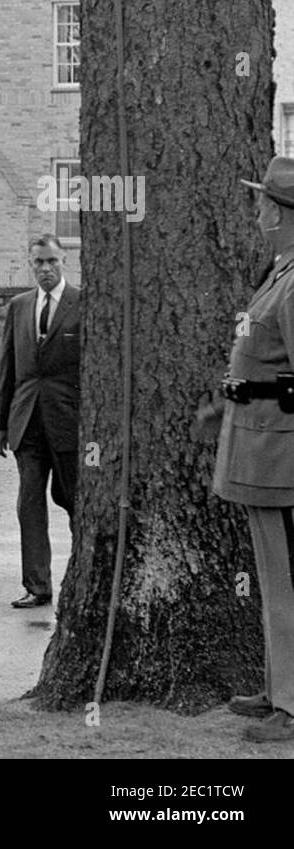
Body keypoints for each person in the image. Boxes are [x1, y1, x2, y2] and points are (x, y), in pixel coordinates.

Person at [204, 157, 294, 742]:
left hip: (284, 460)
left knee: (288, 584)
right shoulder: (279, 272)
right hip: (261, 453)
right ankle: (279, 685)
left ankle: (292, 705)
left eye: (263, 202)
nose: (256, 209)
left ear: (283, 215)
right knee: (273, 580)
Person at [0, 234, 81, 608]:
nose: (45, 269)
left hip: (69, 423)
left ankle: (84, 580)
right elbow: (7, 369)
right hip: (26, 421)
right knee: (29, 502)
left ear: (64, 261)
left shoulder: (83, 303)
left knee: (75, 499)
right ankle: (37, 585)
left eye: (52, 261)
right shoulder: (18, 306)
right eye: (38, 263)